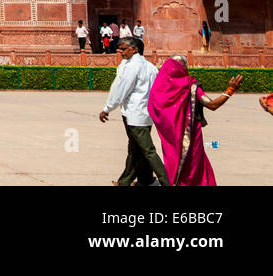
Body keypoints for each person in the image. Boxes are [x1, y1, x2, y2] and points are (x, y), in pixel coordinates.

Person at [148, 55, 241, 186]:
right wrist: (230, 90)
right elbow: (212, 105)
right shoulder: (191, 87)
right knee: (192, 162)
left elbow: (153, 108)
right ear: (184, 68)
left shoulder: (159, 90)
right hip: (191, 133)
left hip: (171, 136)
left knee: (173, 159)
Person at [99, 36, 169, 186]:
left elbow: (121, 90)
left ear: (134, 49)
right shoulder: (150, 66)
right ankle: (137, 180)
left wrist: (107, 108)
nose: (120, 51)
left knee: (147, 151)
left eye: (123, 49)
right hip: (146, 113)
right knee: (135, 149)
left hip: (135, 114)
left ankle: (166, 182)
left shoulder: (131, 66)